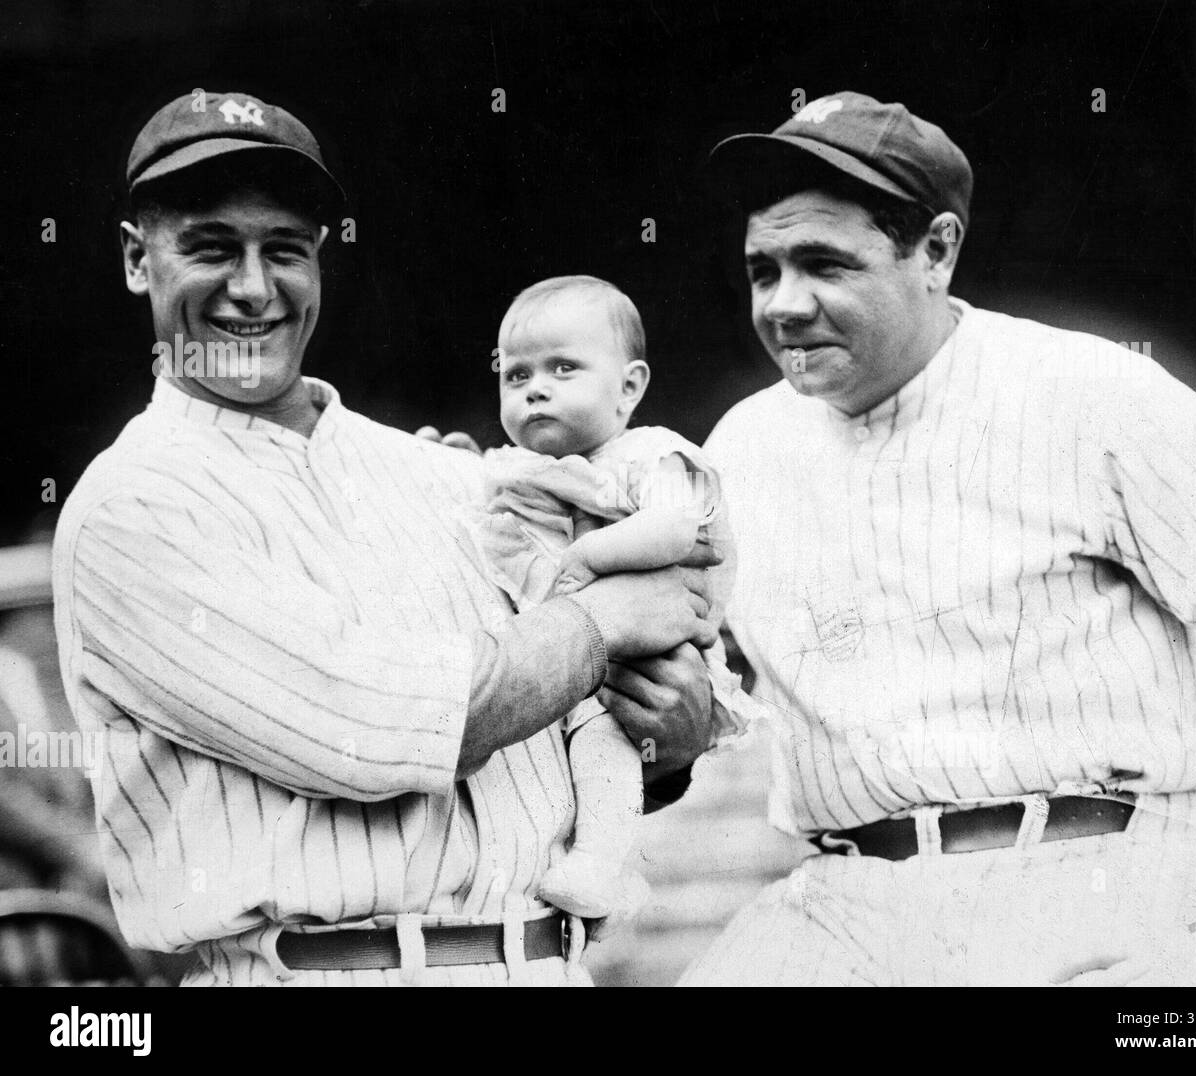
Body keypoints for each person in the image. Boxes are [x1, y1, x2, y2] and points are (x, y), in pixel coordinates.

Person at [51, 91, 721, 987]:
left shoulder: (438, 474)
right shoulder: (130, 511)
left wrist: (668, 734)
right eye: (212, 247)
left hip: (542, 963)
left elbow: (574, 715)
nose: (253, 287)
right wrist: (609, 622)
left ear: (320, 260)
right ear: (139, 259)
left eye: (283, 249)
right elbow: (380, 727)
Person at [682, 91, 1196, 986]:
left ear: (937, 249)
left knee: (1193, 1039)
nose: (784, 304)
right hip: (847, 906)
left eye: (823, 264)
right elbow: (696, 700)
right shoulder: (740, 447)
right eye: (762, 270)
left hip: (1101, 882)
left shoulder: (1092, 394)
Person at [470, 275, 750, 918]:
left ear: (629, 386)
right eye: (516, 376)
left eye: (564, 368)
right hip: (556, 659)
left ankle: (600, 863)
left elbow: (681, 526)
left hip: (646, 651)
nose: (536, 387)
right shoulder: (524, 470)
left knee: (604, 739)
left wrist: (591, 553)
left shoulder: (651, 454)